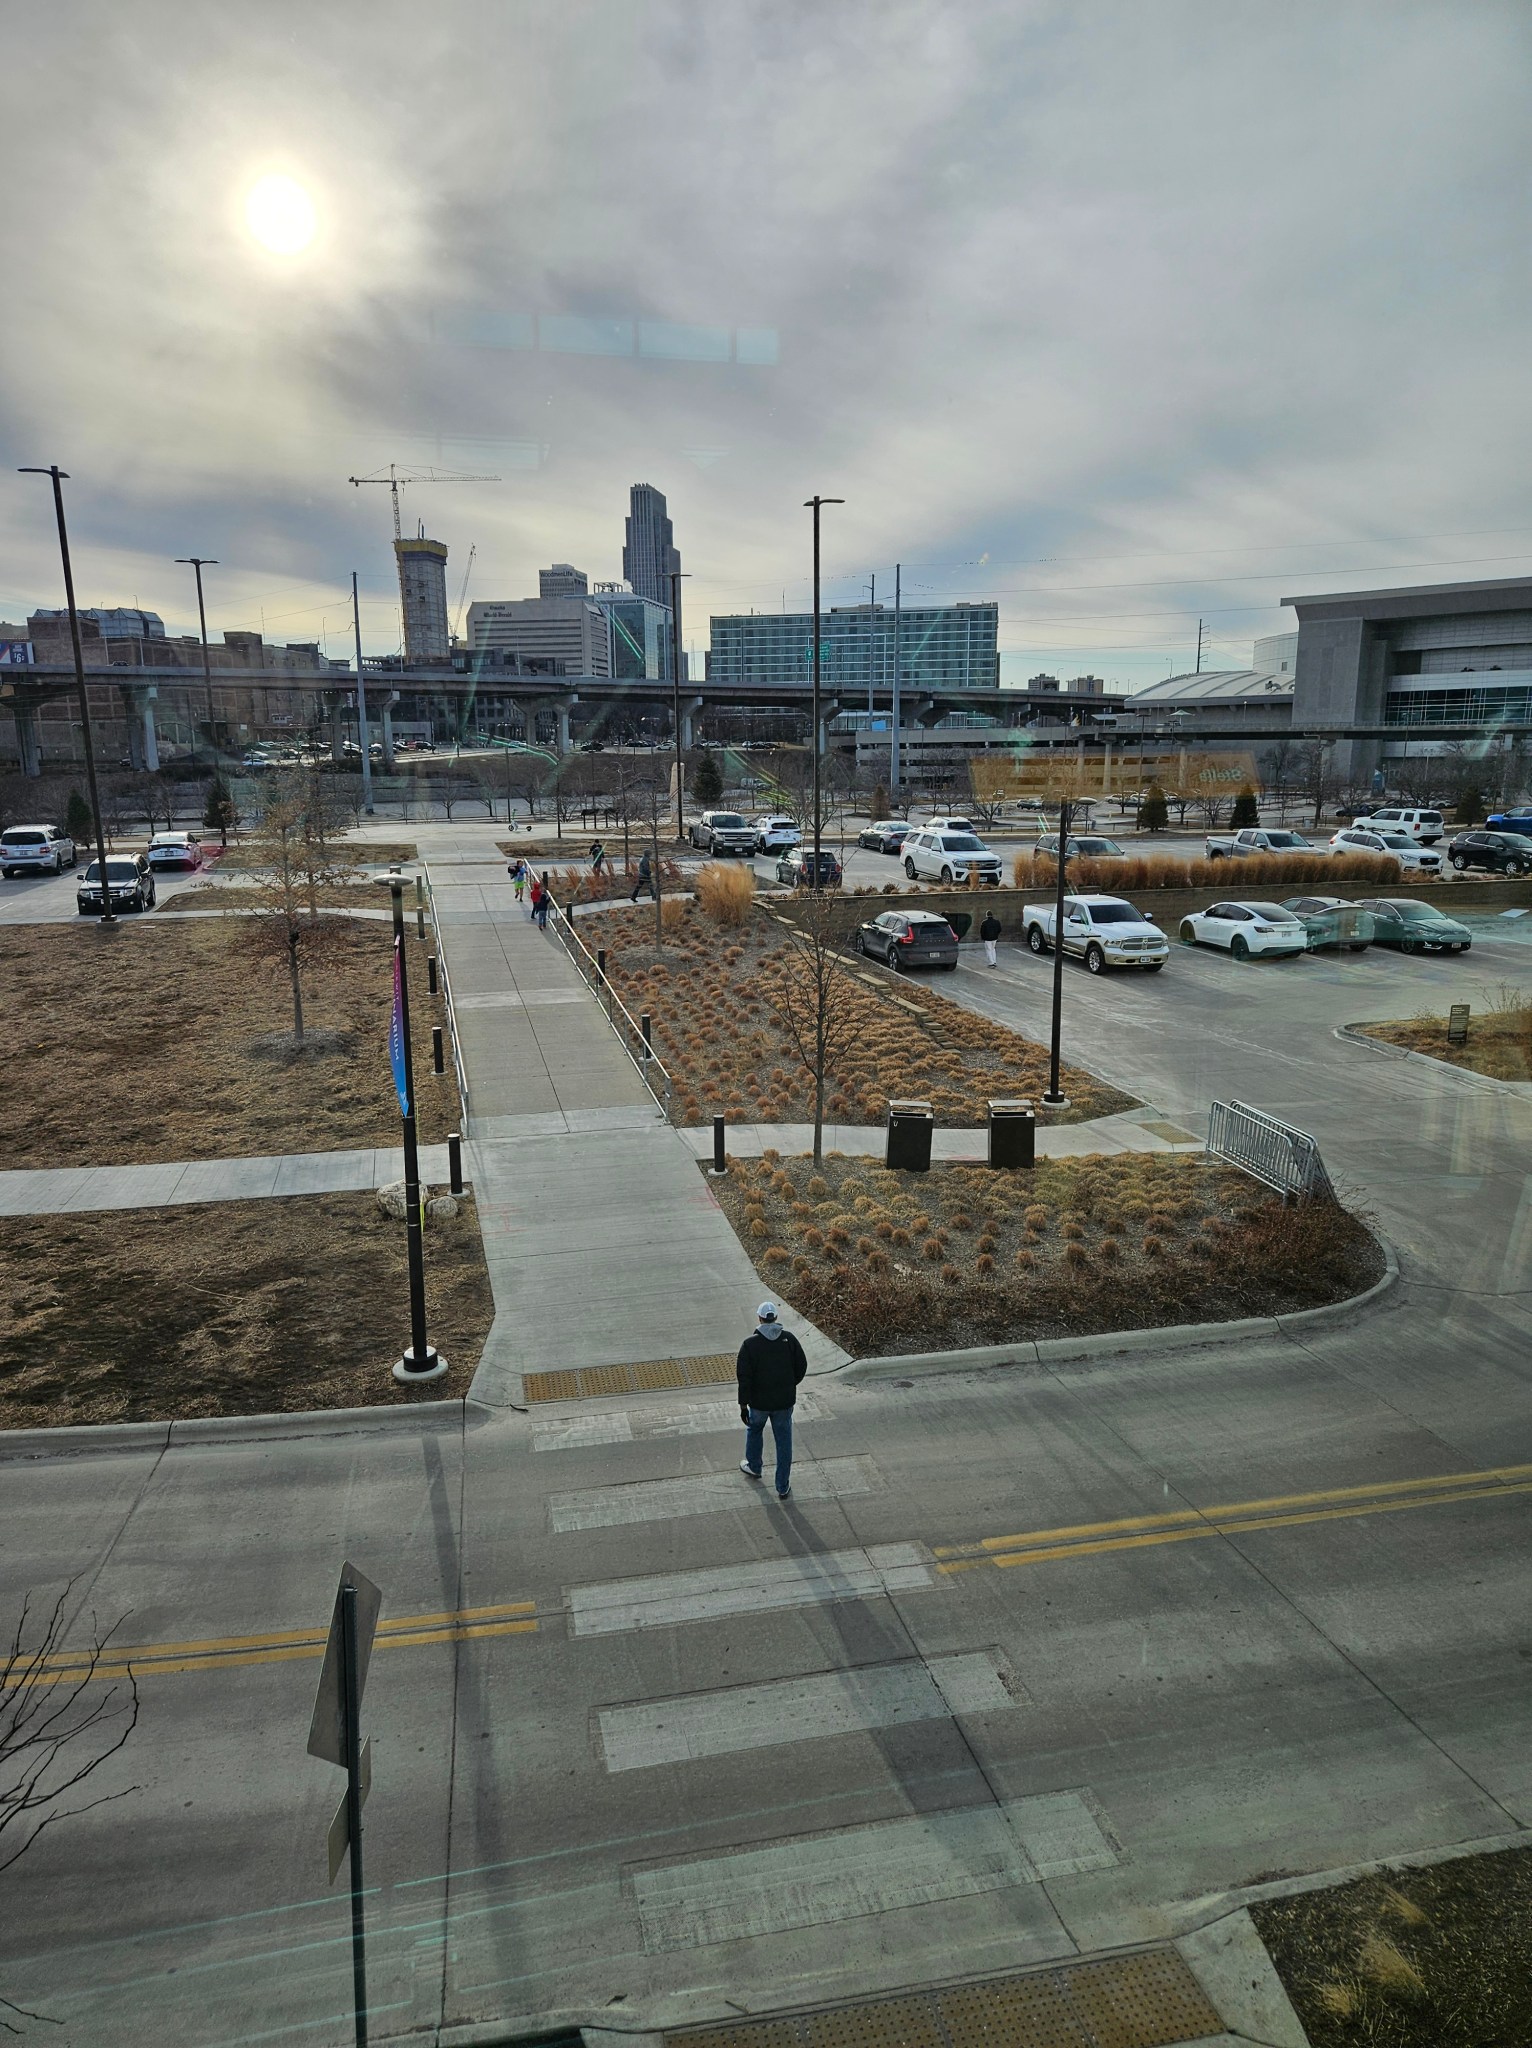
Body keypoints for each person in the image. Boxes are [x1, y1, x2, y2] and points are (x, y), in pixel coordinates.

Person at [737, 1300, 807, 1500]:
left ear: (759, 1318)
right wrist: (789, 1384)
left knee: (754, 1429)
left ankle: (754, 1466)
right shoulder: (789, 1339)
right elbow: (801, 1366)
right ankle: (782, 1486)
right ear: (775, 1317)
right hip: (784, 1403)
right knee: (784, 1442)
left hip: (759, 1404)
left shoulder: (749, 1345)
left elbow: (744, 1378)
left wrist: (743, 1405)